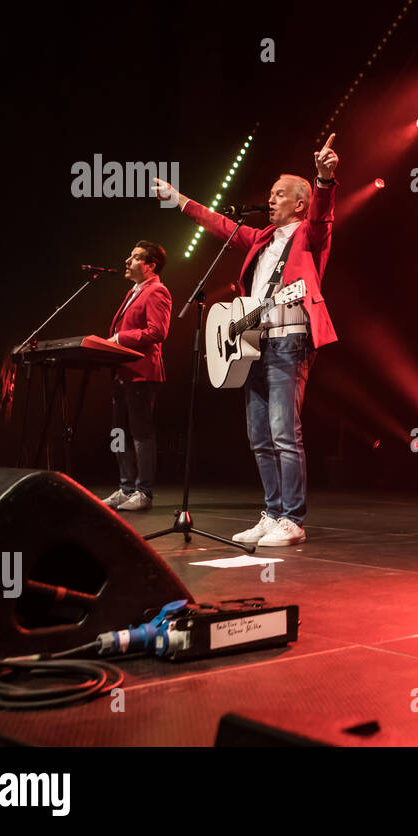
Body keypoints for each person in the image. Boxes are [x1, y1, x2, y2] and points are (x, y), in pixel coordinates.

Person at [152, 135, 338, 546]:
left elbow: (324, 214)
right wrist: (178, 199)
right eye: (270, 193)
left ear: (300, 203)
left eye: (279, 194)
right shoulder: (259, 238)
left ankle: (292, 518)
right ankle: (272, 513)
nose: (270, 199)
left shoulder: (310, 235)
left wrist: (324, 179)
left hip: (289, 340)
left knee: (284, 431)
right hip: (254, 343)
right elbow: (219, 224)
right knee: (258, 435)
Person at [100, 241, 172, 512]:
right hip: (124, 372)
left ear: (150, 265)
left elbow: (158, 331)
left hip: (142, 372)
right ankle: (126, 487)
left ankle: (144, 491)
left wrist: (120, 338)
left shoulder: (157, 291)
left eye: (135, 258)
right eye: (129, 256)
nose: (127, 261)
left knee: (141, 433)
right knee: (119, 431)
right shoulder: (135, 291)